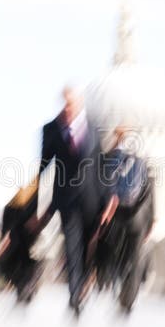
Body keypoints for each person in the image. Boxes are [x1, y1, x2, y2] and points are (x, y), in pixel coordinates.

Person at [39, 87, 115, 315]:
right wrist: (34, 203)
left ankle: (83, 284)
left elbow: (103, 166)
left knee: (85, 249)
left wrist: (110, 198)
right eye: (65, 104)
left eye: (71, 104)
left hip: (93, 198)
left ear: (80, 104)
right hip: (67, 199)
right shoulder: (51, 129)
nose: (68, 108)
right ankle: (74, 295)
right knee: (72, 246)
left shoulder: (95, 128)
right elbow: (44, 163)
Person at [98, 126, 154, 312]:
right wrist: (152, 220)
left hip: (117, 216)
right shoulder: (145, 161)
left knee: (118, 254)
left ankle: (117, 285)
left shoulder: (110, 159)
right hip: (139, 218)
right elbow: (151, 194)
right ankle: (128, 299)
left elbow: (103, 190)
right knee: (136, 257)